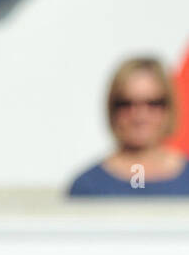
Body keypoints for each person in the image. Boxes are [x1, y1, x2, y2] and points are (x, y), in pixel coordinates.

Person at [68, 57, 189, 196]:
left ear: (169, 108)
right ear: (112, 109)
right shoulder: (88, 187)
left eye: (153, 103)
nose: (140, 115)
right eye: (126, 104)